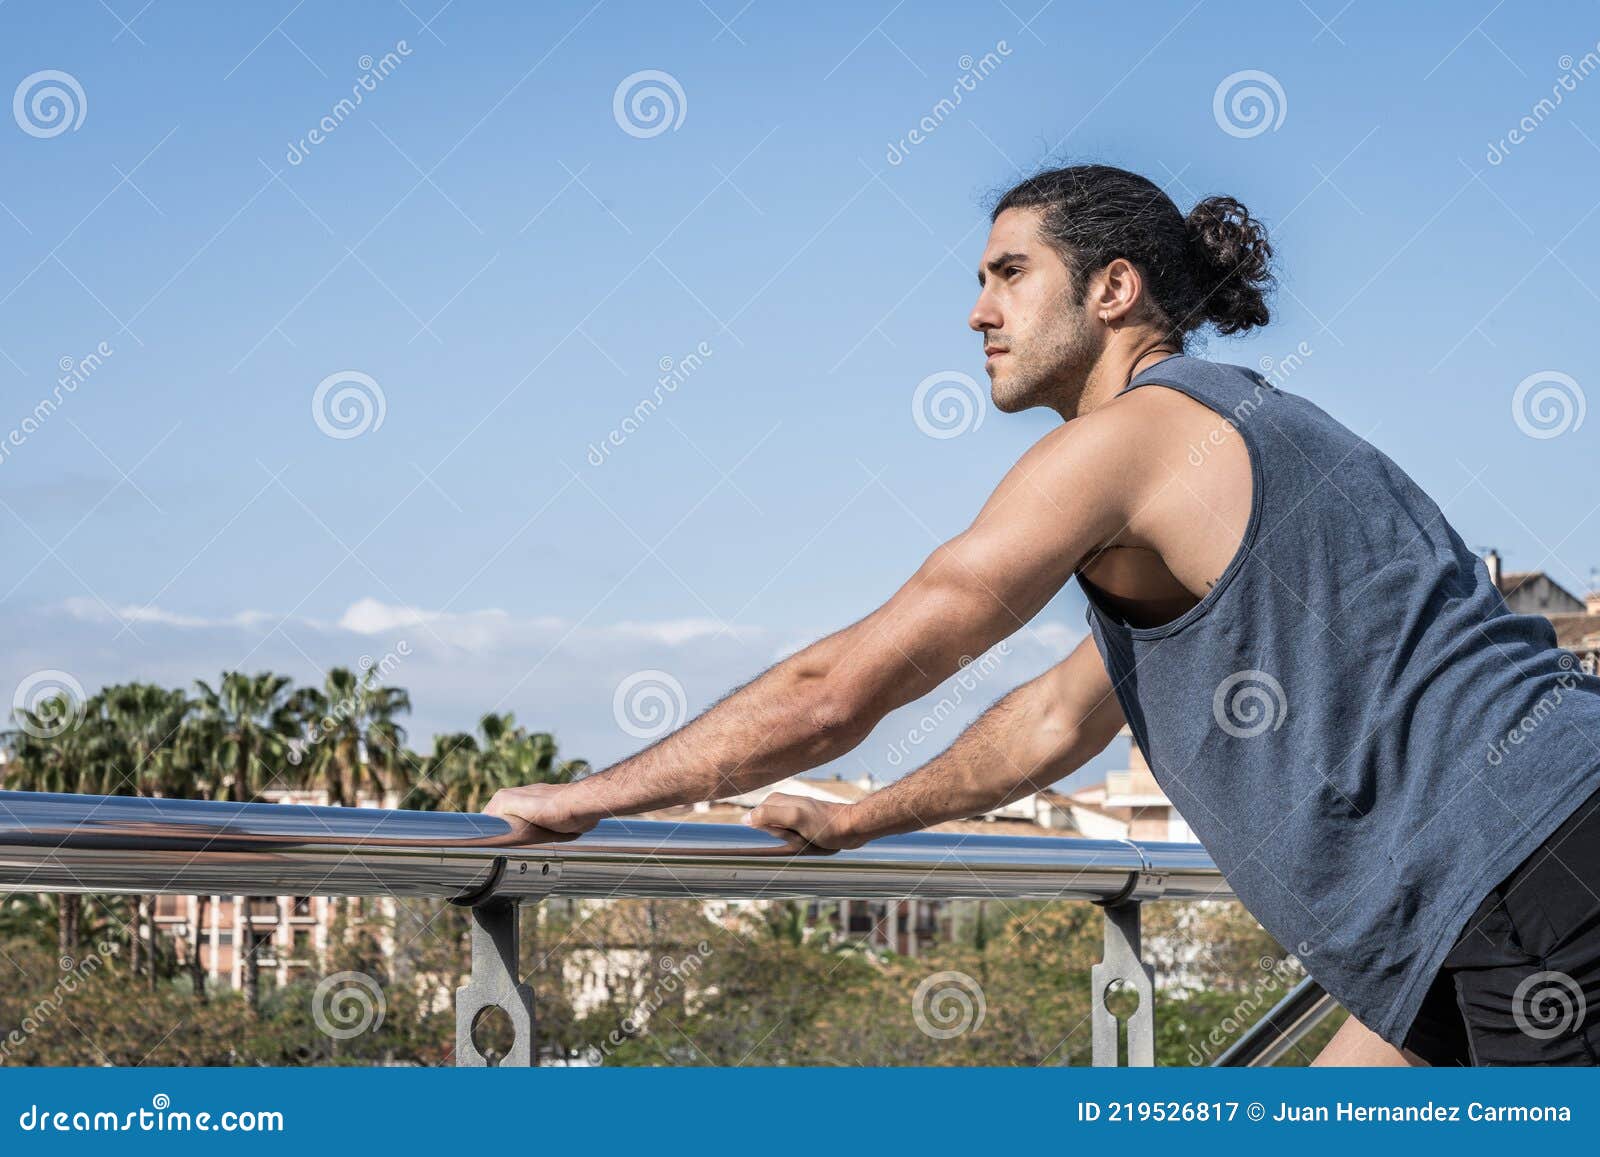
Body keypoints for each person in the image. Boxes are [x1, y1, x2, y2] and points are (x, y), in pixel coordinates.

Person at [486, 163, 1600, 1067]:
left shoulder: (1125, 441)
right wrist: (863, 820)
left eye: (1010, 273)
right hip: (1493, 894)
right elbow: (1056, 720)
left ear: (1113, 290)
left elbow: (839, 690)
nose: (977, 310)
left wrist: (589, 796)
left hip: (1532, 872)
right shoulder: (1240, 432)